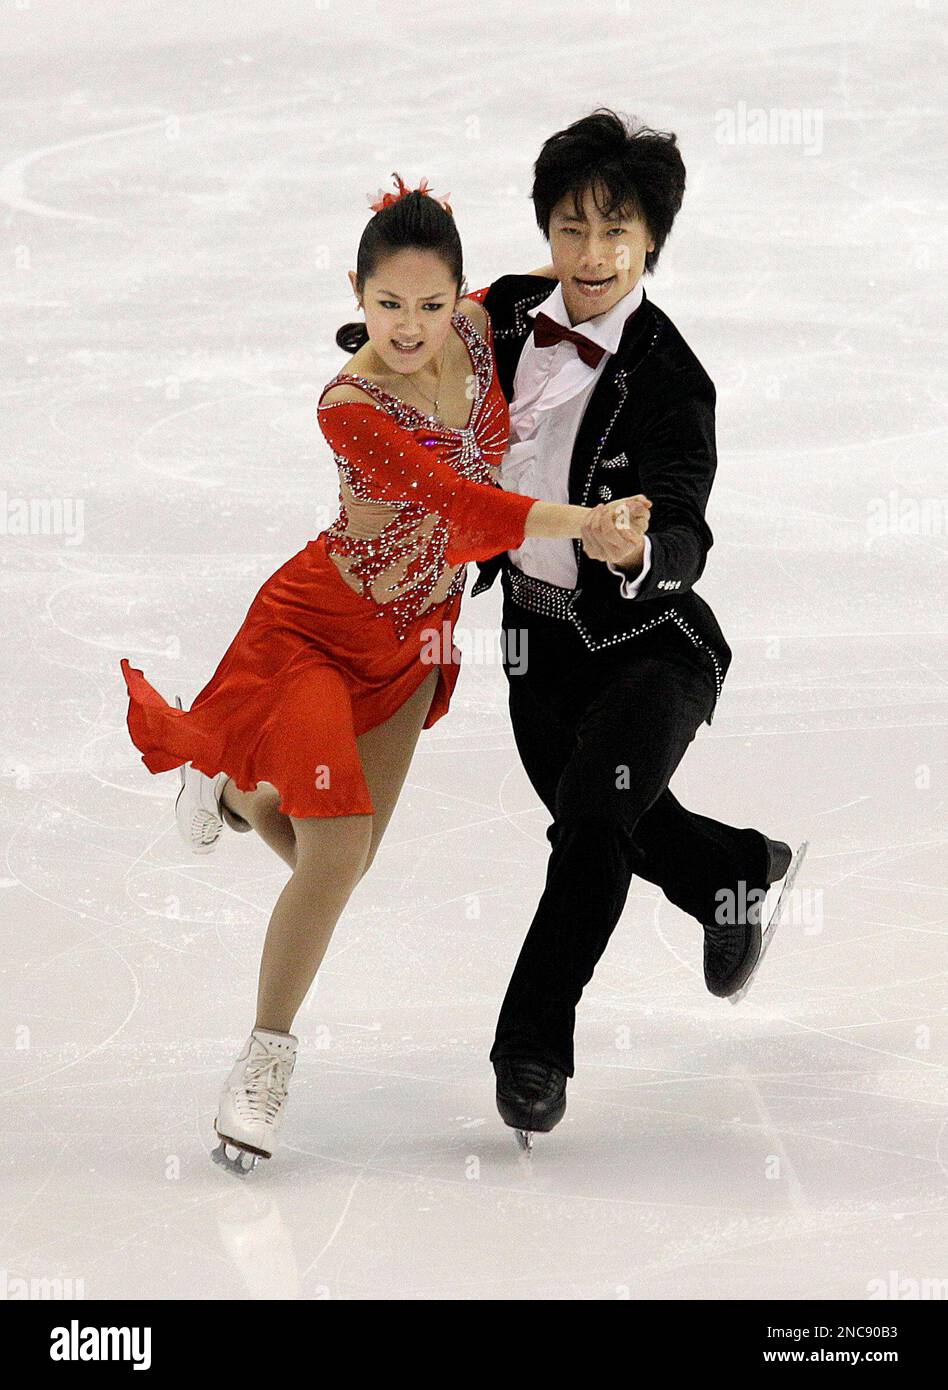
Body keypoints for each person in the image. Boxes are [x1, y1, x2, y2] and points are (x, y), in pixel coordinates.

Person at [118, 172, 651, 1173]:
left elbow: (562, 275)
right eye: (388, 305)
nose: (411, 326)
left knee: (344, 860)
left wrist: (607, 250)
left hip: (418, 643)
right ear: (355, 295)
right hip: (320, 629)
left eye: (431, 304)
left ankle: (235, 784)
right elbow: (459, 504)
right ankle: (264, 1062)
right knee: (334, 850)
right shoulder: (349, 405)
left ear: (461, 298)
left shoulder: (487, 330)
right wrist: (586, 525)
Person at [469, 111, 807, 1149]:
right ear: (547, 233)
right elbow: (445, 331)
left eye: (616, 232)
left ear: (651, 239)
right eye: (573, 229)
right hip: (535, 647)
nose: (593, 255)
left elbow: (689, 523)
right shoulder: (514, 310)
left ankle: (531, 1048)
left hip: (650, 645)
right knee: (611, 821)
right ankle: (731, 872)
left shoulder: (670, 376)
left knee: (592, 825)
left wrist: (637, 550)